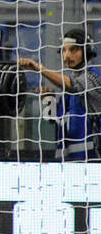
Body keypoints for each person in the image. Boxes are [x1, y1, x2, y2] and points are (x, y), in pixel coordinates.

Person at [19, 28, 101, 160]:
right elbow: (54, 120)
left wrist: (39, 68)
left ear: (86, 52)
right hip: (66, 163)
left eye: (73, 50)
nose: (67, 55)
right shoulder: (67, 88)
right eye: (64, 50)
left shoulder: (92, 79)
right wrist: (48, 101)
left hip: (91, 162)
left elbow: (74, 85)